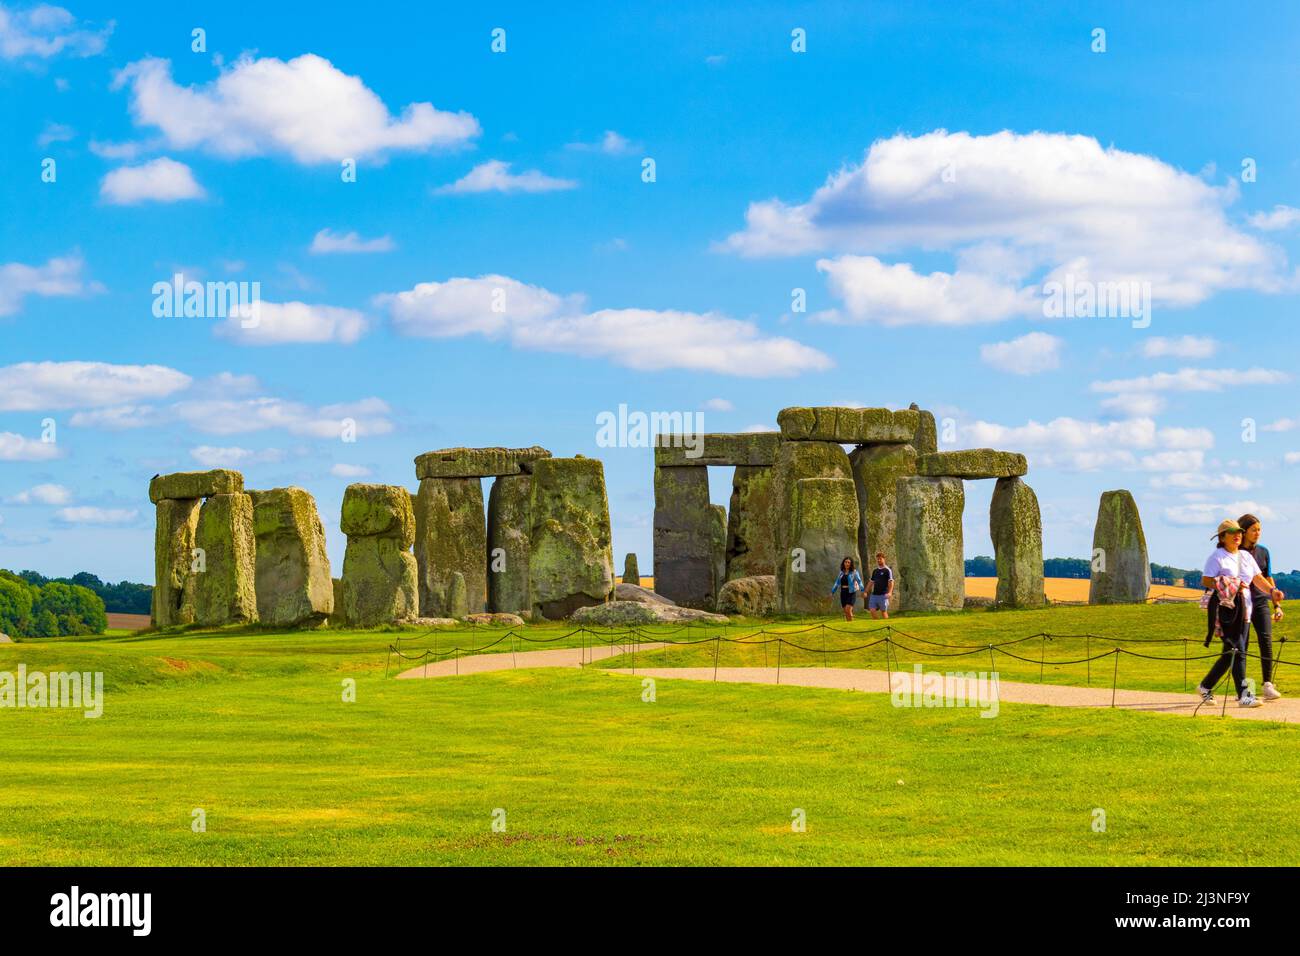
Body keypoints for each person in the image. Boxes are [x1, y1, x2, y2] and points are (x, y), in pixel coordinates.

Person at [1196, 519, 1285, 708]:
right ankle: (1245, 696)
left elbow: (1257, 578)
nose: (1237, 535)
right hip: (1226, 609)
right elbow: (1206, 580)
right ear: (1222, 537)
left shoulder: (1245, 556)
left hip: (1246, 608)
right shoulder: (1217, 556)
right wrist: (1230, 583)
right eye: (1232, 532)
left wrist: (1272, 592)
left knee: (1231, 653)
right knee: (1239, 651)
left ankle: (1205, 686)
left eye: (1239, 532)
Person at [1239, 513, 1282, 700]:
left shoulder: (1263, 552)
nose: (1257, 533)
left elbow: (1267, 578)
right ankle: (1245, 689)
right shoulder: (1236, 552)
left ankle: (1268, 685)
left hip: (1261, 601)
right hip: (1241, 603)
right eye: (1253, 530)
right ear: (1244, 531)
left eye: (1259, 530)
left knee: (1266, 640)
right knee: (1243, 644)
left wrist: (1277, 605)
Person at [829, 557, 864, 622]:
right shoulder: (841, 573)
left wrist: (862, 591)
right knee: (846, 611)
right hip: (843, 593)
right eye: (846, 562)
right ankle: (848, 625)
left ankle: (852, 625)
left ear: (851, 564)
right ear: (843, 563)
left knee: (848, 610)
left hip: (851, 592)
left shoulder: (854, 572)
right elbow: (837, 583)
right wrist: (832, 592)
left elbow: (859, 581)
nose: (847, 564)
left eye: (849, 562)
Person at [868, 551, 894, 619]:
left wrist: (890, 592)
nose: (879, 560)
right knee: (872, 610)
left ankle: (886, 625)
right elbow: (871, 582)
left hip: (883, 595)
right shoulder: (875, 571)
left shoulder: (887, 570)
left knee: (883, 611)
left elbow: (891, 582)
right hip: (874, 594)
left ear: (884, 559)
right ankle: (877, 624)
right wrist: (865, 591)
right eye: (878, 559)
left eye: (880, 559)